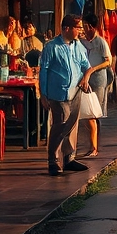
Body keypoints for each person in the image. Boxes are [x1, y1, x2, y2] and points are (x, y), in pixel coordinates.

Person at [38, 14, 94, 176]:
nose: (80, 31)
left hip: (75, 91)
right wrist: (43, 94)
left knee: (72, 124)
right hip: (58, 92)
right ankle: (53, 159)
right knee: (60, 123)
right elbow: (44, 71)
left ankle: (69, 157)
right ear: (66, 28)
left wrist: (85, 78)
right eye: (78, 27)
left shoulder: (78, 45)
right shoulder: (52, 47)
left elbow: (87, 66)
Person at [78, 14, 113, 157]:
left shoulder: (101, 42)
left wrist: (93, 69)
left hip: (98, 79)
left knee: (95, 111)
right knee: (86, 112)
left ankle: (95, 146)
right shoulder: (81, 42)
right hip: (83, 79)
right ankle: (90, 144)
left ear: (91, 27)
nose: (83, 29)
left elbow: (108, 61)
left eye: (85, 26)